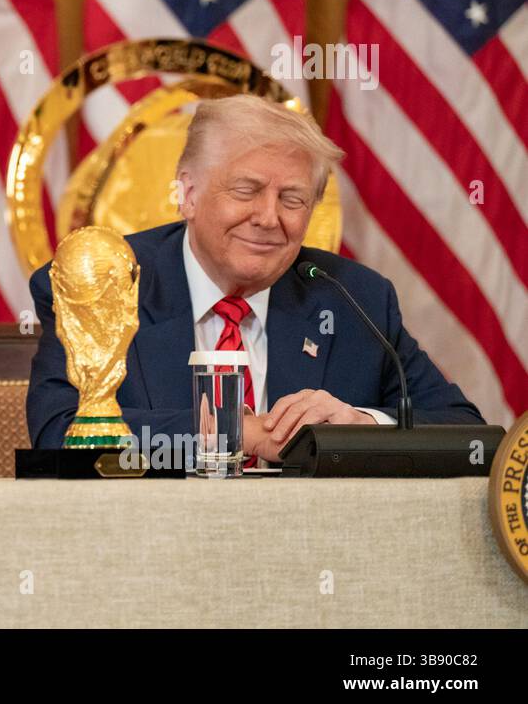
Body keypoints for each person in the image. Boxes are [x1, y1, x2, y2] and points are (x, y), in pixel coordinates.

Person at [26, 94, 484, 461]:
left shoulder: (352, 299)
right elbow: (61, 434)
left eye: (292, 199)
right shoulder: (104, 286)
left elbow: (469, 435)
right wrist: (235, 433)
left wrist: (362, 427)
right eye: (246, 190)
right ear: (188, 194)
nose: (268, 218)